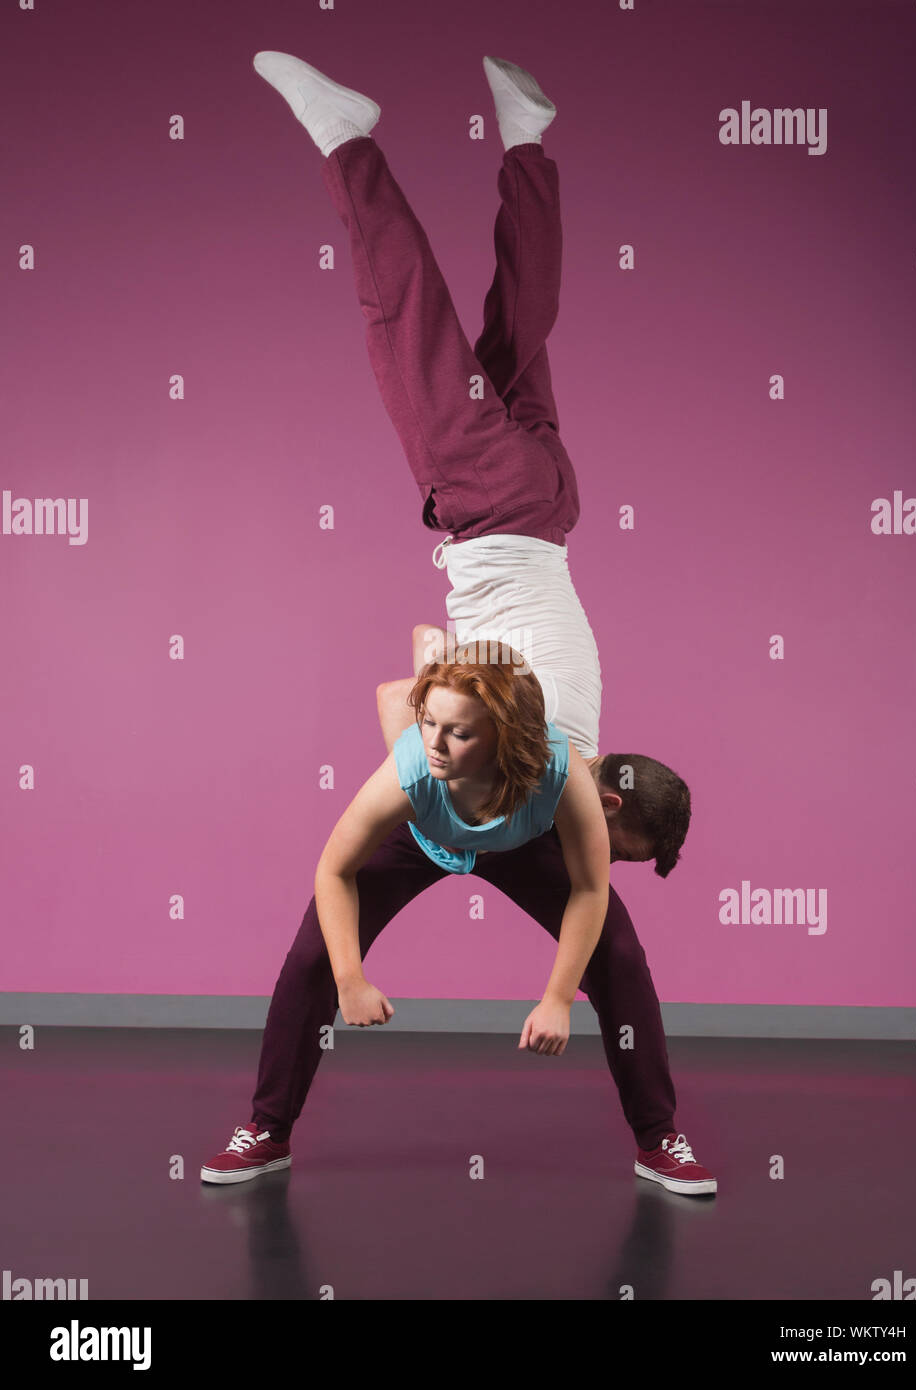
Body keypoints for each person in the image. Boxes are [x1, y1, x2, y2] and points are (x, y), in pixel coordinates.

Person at [199, 52, 716, 1195]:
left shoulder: (552, 767)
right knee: (406, 321)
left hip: (543, 500)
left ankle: (529, 146)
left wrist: (550, 994)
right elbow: (420, 695)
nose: (619, 859)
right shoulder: (485, 753)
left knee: (511, 335)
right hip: (492, 500)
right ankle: (349, 142)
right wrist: (348, 977)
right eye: (634, 843)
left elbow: (589, 898)